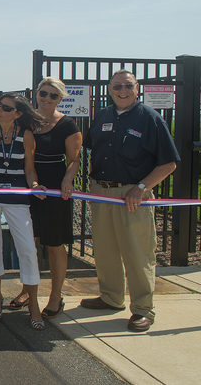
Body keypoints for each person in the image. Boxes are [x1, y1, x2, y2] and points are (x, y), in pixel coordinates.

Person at [80, 70, 179, 332]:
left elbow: (169, 163)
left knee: (137, 253)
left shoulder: (150, 119)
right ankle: (111, 298)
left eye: (127, 85)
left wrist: (141, 188)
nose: (122, 90)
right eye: (116, 86)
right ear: (109, 89)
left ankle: (143, 309)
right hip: (101, 192)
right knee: (104, 250)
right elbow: (90, 149)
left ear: (137, 88)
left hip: (132, 196)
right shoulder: (102, 115)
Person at [0, 93, 47, 330]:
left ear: (18, 114)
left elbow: (29, 169)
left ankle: (34, 303)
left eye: (6, 107)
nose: (0, 110)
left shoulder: (26, 136)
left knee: (27, 248)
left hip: (16, 197)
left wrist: (34, 186)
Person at [9, 77, 81, 318]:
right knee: (29, 243)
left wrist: (67, 180)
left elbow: (74, 160)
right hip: (28, 184)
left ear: (60, 99)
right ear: (37, 94)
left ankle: (55, 296)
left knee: (54, 245)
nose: (47, 98)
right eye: (43, 93)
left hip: (55, 189)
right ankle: (28, 290)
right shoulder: (26, 120)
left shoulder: (68, 125)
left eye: (53, 95)